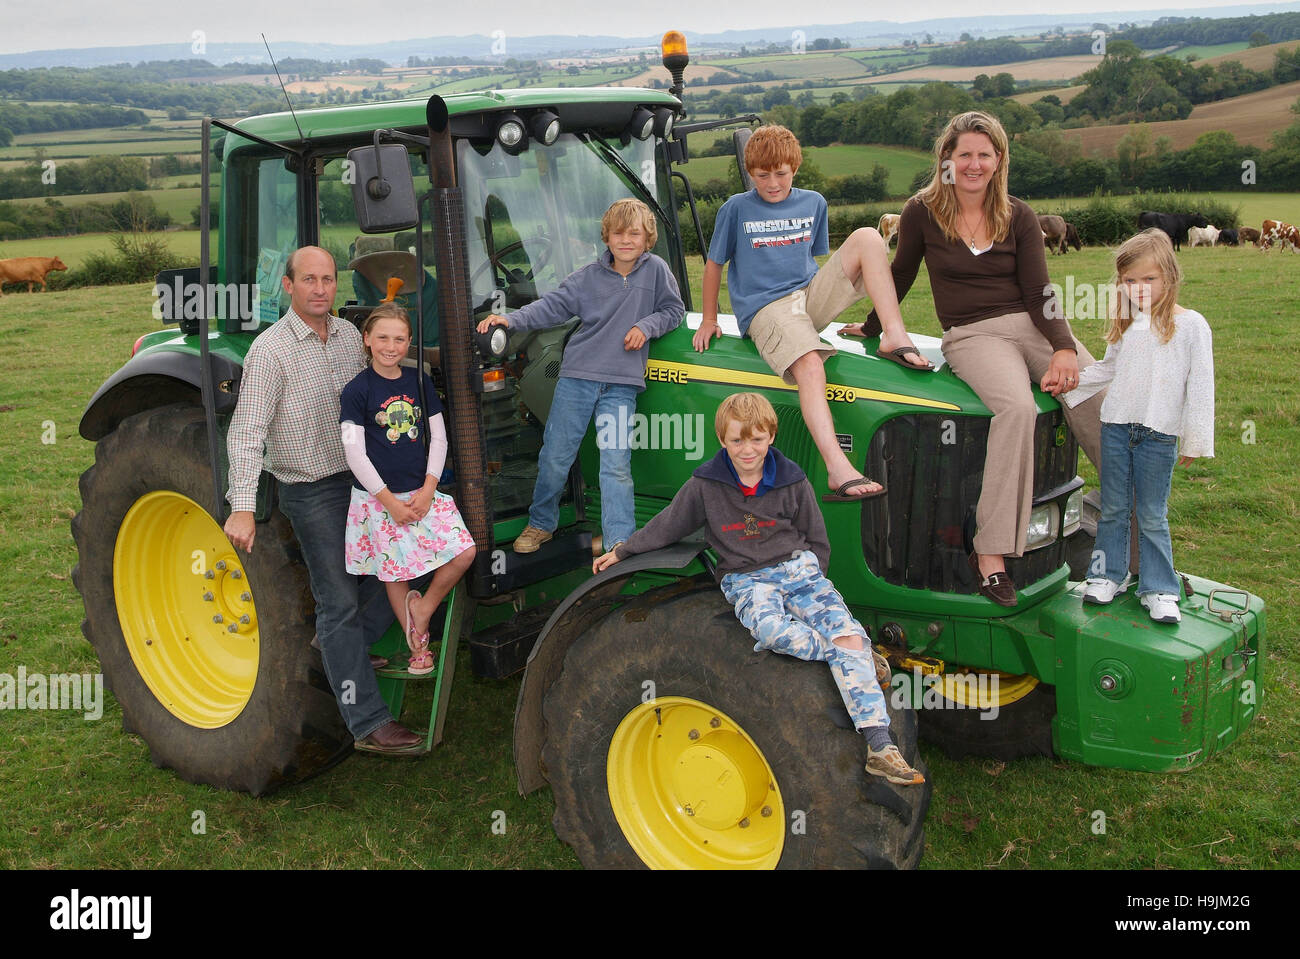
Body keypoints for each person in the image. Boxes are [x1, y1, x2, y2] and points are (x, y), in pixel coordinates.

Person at [593, 392, 924, 786]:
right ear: (722, 440)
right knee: (778, 633)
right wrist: (623, 550)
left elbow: (816, 537)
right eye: (737, 441)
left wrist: (811, 575)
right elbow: (669, 524)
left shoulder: (791, 479)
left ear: (770, 437)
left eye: (756, 440)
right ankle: (852, 655)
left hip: (797, 571)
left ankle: (880, 747)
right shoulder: (706, 485)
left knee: (844, 628)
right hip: (748, 580)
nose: (747, 450)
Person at [843, 111, 1104, 606]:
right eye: (965, 154)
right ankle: (990, 555)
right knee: (1017, 409)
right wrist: (875, 326)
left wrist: (1064, 347)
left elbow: (1039, 290)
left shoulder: (1019, 214)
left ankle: (1129, 517)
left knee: (1093, 387)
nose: (974, 164)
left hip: (1030, 324)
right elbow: (900, 274)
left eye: (985, 154)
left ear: (999, 159)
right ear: (947, 158)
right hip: (972, 333)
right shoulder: (922, 211)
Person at [224, 245, 423, 755]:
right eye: (309, 280)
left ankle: (342, 647)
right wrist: (242, 504)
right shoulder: (270, 351)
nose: (320, 289)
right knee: (337, 599)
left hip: (362, 481)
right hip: (311, 487)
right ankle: (369, 720)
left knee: (408, 563)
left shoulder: (347, 342)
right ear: (288, 287)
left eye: (328, 280)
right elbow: (247, 432)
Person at [693, 124, 933, 504]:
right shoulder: (735, 209)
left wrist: (856, 318)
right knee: (810, 363)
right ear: (749, 173)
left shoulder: (814, 203)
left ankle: (892, 333)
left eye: (781, 174)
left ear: (795, 168)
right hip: (766, 308)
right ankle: (838, 467)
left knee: (868, 237)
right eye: (762, 175)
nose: (772, 183)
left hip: (806, 297)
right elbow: (713, 265)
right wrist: (709, 319)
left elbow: (812, 260)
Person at [475, 198, 684, 556]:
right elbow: (550, 307)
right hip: (578, 378)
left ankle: (620, 540)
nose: (626, 240)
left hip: (621, 385)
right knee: (556, 454)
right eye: (618, 233)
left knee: (616, 463)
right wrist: (510, 320)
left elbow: (673, 310)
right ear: (607, 237)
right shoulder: (588, 277)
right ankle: (541, 524)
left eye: (634, 233)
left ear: (647, 237)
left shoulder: (657, 271)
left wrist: (645, 326)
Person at [1062, 229, 1214, 624]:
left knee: (1150, 513)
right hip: (1115, 429)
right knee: (1113, 508)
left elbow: (1200, 386)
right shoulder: (1128, 325)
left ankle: (1160, 587)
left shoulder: (1192, 326)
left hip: (1158, 436)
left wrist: (1195, 440)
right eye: (1130, 280)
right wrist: (1070, 386)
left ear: (1169, 277)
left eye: (1149, 279)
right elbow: (1108, 369)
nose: (1139, 288)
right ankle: (1107, 575)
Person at [340, 302, 476, 672]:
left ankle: (425, 606)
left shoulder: (419, 381)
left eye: (399, 339)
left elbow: (439, 438)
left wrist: (430, 487)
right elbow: (354, 453)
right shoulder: (357, 390)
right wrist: (388, 501)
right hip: (379, 499)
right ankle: (418, 646)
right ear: (366, 339)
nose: (390, 345)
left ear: (409, 343)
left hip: (421, 491)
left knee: (464, 552)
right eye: (382, 337)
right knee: (395, 572)